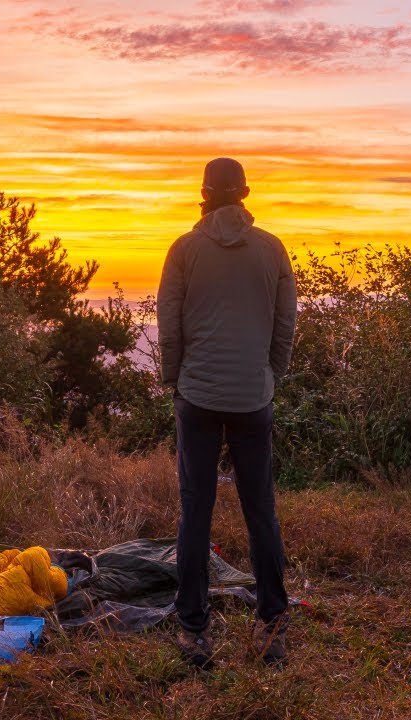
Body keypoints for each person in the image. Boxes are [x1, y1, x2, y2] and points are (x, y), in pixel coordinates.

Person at [156, 157, 298, 668]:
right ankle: (272, 622)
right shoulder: (272, 249)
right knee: (261, 510)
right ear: (244, 194)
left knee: (196, 510)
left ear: (204, 193)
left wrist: (175, 380)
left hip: (196, 399)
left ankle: (193, 630)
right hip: (253, 399)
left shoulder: (184, 250)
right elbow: (286, 324)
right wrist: (269, 376)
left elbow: (168, 324)